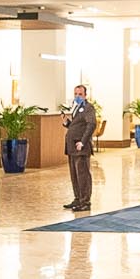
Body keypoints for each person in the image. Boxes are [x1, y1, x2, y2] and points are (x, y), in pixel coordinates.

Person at [63, 83, 95, 213]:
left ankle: (85, 201)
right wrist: (67, 123)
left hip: (80, 146)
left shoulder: (88, 107)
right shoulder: (76, 107)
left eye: (80, 94)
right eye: (75, 94)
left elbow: (91, 124)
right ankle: (77, 198)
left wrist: (83, 141)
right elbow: (77, 126)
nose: (77, 96)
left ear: (85, 95)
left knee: (83, 175)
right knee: (74, 175)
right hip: (72, 147)